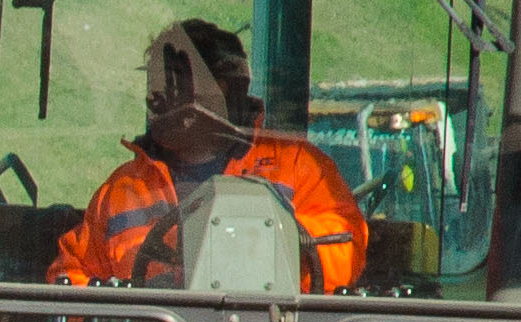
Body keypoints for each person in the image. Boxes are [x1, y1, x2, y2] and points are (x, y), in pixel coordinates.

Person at [48, 19, 370, 291]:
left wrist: (267, 245)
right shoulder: (122, 190)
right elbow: (70, 277)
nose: (163, 97)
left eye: (180, 82)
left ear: (227, 87)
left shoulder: (298, 167)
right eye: (160, 83)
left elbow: (347, 246)